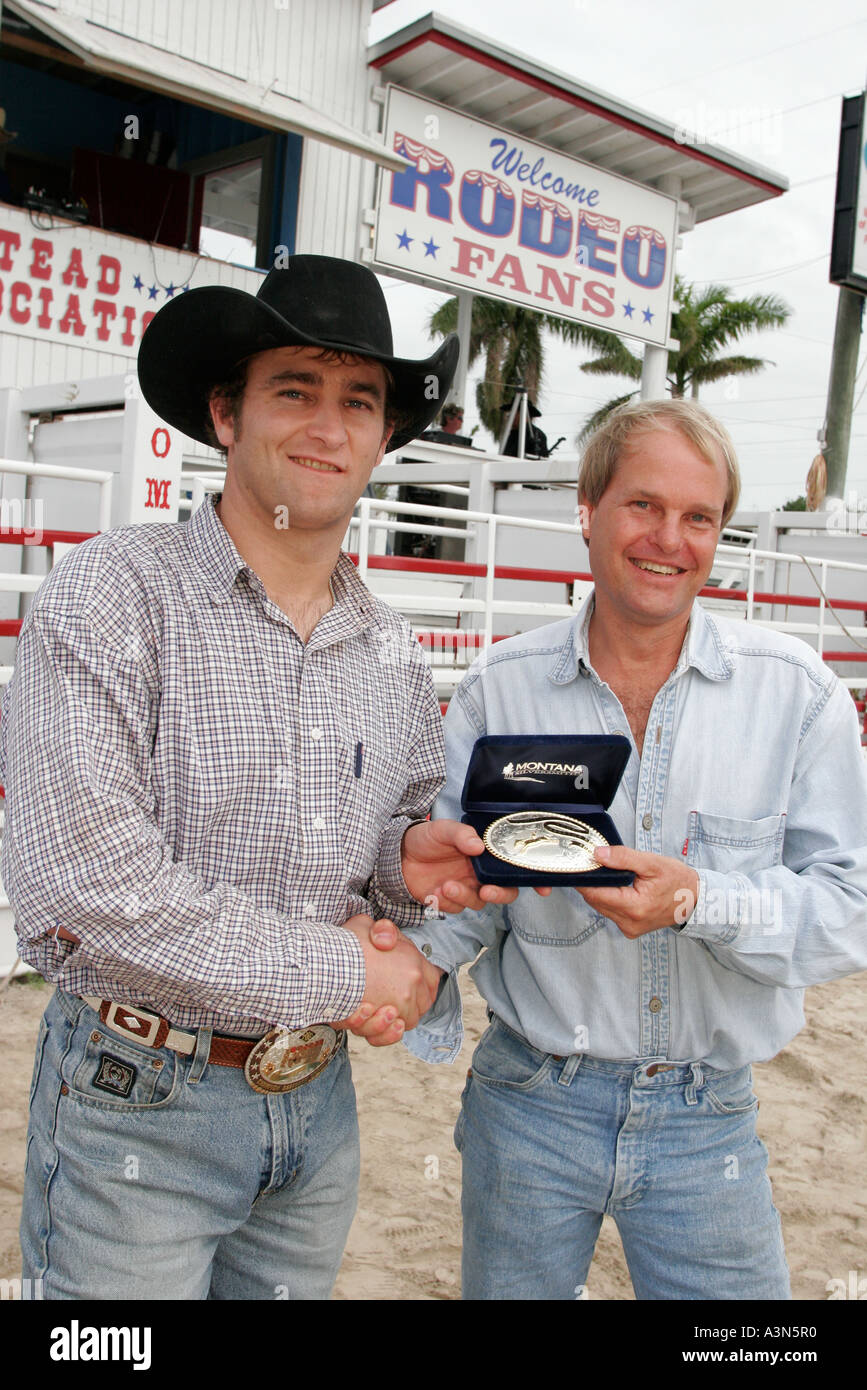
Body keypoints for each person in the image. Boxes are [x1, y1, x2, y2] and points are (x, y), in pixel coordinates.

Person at [0, 254, 510, 1300]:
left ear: (383, 437)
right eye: (295, 390)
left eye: (358, 401)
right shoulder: (110, 598)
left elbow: (368, 866)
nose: (329, 427)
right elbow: (90, 895)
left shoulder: (394, 655)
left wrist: (401, 862)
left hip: (315, 1111)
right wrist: (351, 975)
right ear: (225, 414)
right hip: (136, 1098)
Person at [380, 397, 867, 1300]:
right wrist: (395, 966)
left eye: (698, 517)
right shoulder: (500, 688)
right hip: (527, 1104)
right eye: (643, 504)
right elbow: (464, 891)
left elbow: (850, 911)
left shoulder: (797, 698)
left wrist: (698, 900)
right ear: (589, 508)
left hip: (708, 1115)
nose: (667, 539)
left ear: (720, 533)